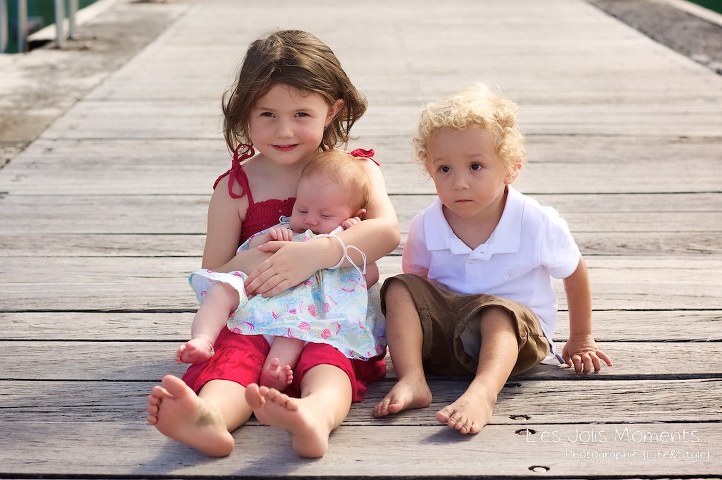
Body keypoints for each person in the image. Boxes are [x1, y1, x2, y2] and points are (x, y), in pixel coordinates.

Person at [146, 29, 399, 458]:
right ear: (245, 113)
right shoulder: (236, 189)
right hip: (258, 316)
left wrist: (315, 254)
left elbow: (386, 232)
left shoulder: (357, 172)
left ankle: (316, 416)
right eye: (268, 114)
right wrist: (258, 255)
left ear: (332, 109)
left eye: (302, 114)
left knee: (328, 364)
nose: (284, 130)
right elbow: (214, 272)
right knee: (233, 361)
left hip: (327, 318)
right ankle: (209, 418)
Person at [372, 83, 612, 435]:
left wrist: (581, 338)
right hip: (449, 340)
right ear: (429, 168)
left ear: (511, 169)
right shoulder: (428, 224)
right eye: (444, 169)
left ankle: (483, 393)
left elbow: (574, 273)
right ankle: (412, 379)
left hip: (515, 338)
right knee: (398, 287)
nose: (459, 183)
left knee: (496, 311)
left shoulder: (535, 221)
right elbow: (418, 286)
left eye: (475, 166)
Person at [178, 149, 385, 391]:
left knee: (296, 330)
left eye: (325, 214)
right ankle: (203, 339)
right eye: (302, 209)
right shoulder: (287, 229)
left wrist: (351, 237)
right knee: (222, 290)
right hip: (261, 297)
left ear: (354, 216)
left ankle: (274, 372)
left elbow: (369, 277)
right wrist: (266, 239)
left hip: (302, 311)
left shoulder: (343, 242)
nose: (311, 220)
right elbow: (245, 254)